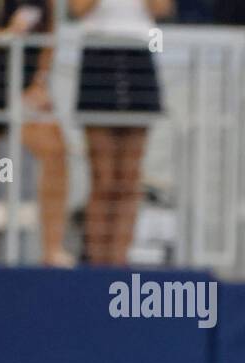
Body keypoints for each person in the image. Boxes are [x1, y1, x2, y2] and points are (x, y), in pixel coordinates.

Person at [0, 0, 70, 265]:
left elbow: (49, 37)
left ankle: (52, 251)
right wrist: (12, 32)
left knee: (55, 152)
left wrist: (39, 81)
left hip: (24, 83)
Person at [70, 0, 170, 265]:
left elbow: (161, 9)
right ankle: (97, 261)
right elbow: (78, 9)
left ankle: (119, 261)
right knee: (103, 178)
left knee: (128, 179)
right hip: (99, 53)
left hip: (137, 52)